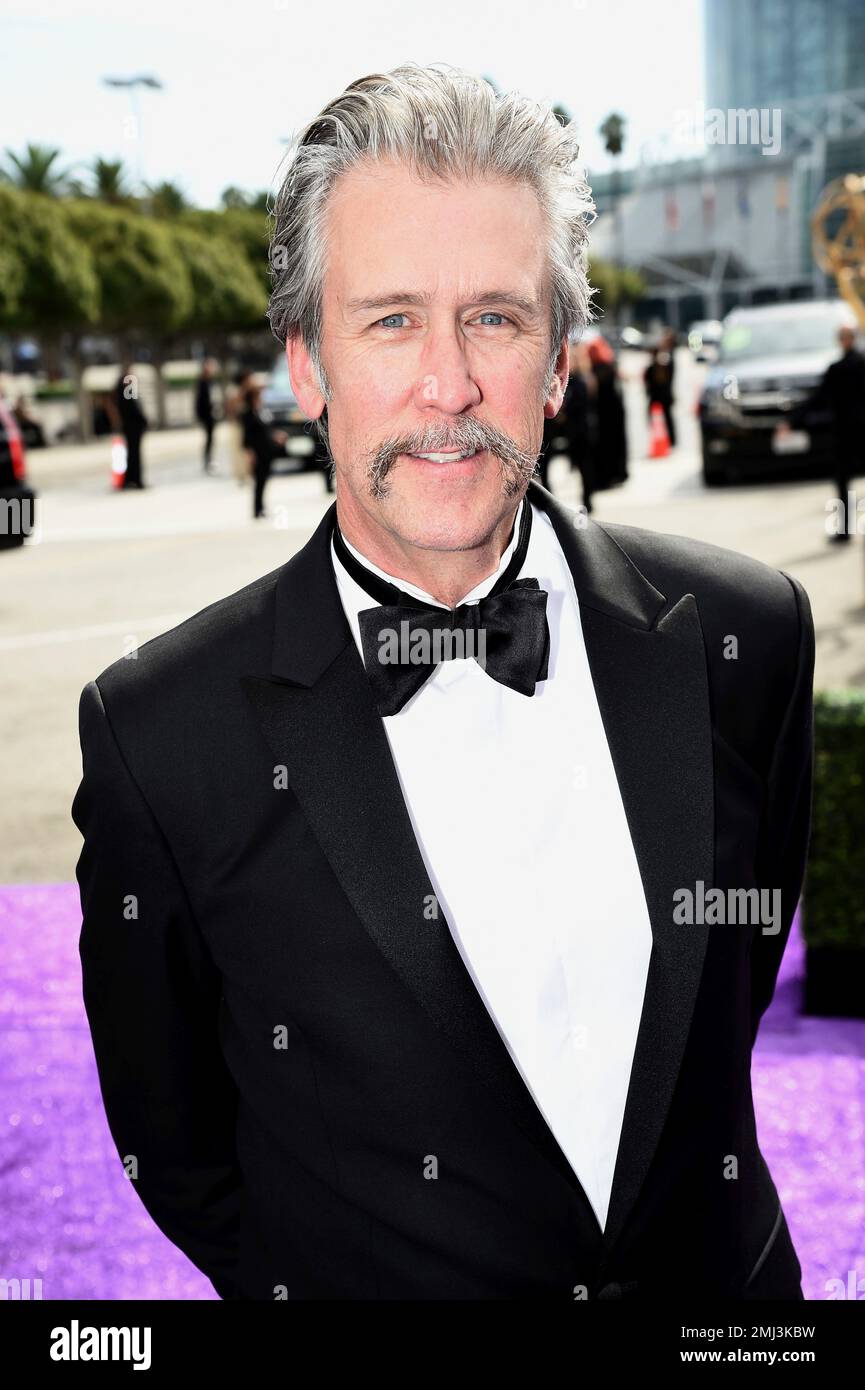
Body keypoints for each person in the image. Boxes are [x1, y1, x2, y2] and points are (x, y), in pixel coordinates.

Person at [73, 64, 813, 1302]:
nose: (450, 386)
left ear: (561, 362)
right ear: (306, 365)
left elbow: (725, 1005)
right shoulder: (163, 733)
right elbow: (178, 1144)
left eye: (496, 318)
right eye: (390, 319)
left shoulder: (742, 638)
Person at [775, 324, 865, 543]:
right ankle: (844, 530)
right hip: (855, 432)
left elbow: (817, 399)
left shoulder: (838, 369)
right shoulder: (854, 366)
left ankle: (844, 531)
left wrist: (791, 420)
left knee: (843, 484)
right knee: (843, 483)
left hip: (845, 433)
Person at [239, 382, 288, 518]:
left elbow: (266, 430)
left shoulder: (260, 411)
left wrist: (276, 436)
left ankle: (261, 507)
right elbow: (246, 436)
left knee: (264, 480)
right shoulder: (248, 414)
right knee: (259, 481)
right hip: (257, 452)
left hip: (266, 451)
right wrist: (249, 453)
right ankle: (257, 509)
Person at [586, 336, 628, 489]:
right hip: (615, 412)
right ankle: (619, 473)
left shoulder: (597, 370)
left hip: (604, 415)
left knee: (606, 446)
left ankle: (608, 477)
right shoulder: (610, 365)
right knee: (617, 444)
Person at [114, 364, 148, 489]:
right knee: (134, 454)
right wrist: (143, 419)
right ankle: (136, 479)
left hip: (129, 425)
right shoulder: (126, 385)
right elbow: (134, 406)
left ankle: (129, 479)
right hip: (133, 425)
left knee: (131, 454)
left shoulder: (120, 386)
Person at [643, 329, 677, 448]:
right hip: (659, 394)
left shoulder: (665, 359)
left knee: (666, 418)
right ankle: (663, 439)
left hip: (661, 394)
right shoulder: (661, 360)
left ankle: (671, 441)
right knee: (660, 418)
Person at [223, 369, 256, 486]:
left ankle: (249, 472)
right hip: (237, 424)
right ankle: (241, 474)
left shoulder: (250, 390)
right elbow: (232, 407)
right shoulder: (234, 391)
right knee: (238, 449)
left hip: (247, 423)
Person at [195, 360, 217, 473]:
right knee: (209, 438)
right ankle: (207, 461)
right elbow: (201, 401)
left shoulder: (209, 382)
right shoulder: (202, 383)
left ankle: (209, 460)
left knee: (211, 438)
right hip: (206, 415)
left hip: (210, 414)